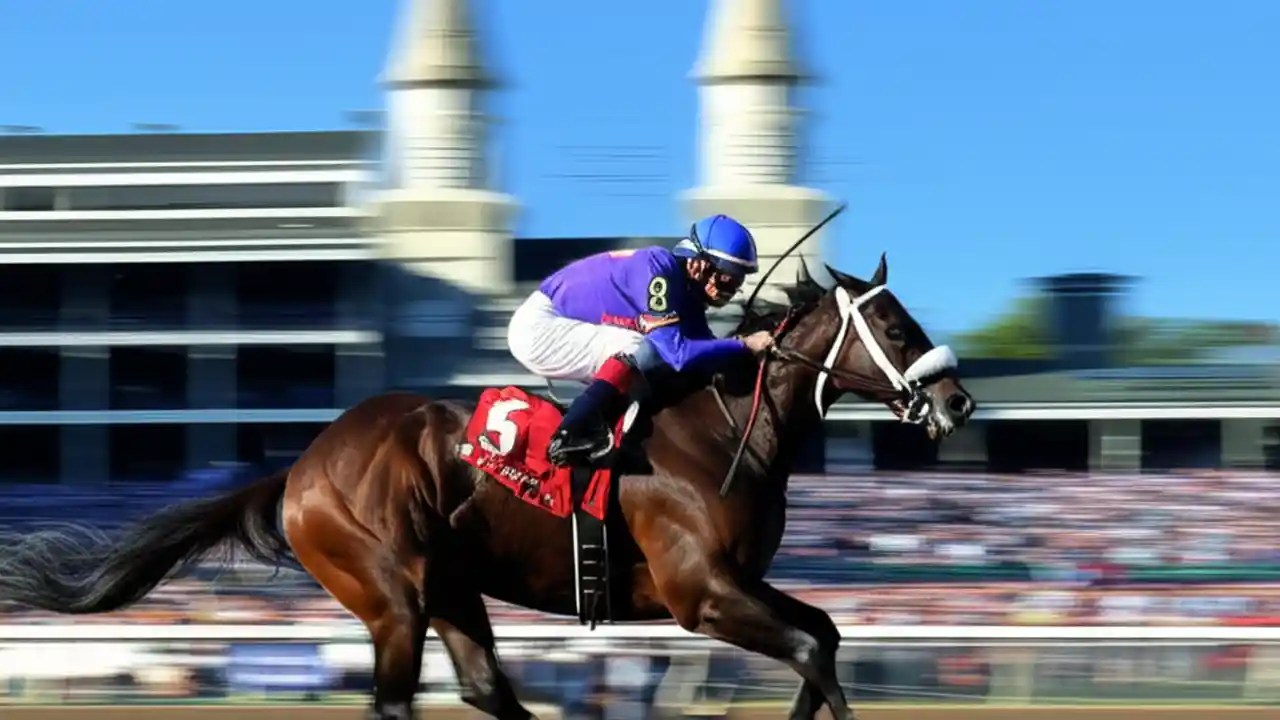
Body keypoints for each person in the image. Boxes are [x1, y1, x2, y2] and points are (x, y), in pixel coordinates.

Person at [506, 214, 776, 466]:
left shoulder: (687, 294)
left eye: (738, 281)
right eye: (728, 278)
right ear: (699, 265)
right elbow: (679, 355)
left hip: (564, 324)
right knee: (641, 348)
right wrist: (744, 344)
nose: (733, 289)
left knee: (655, 363)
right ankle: (570, 433)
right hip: (539, 327)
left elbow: (705, 358)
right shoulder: (658, 270)